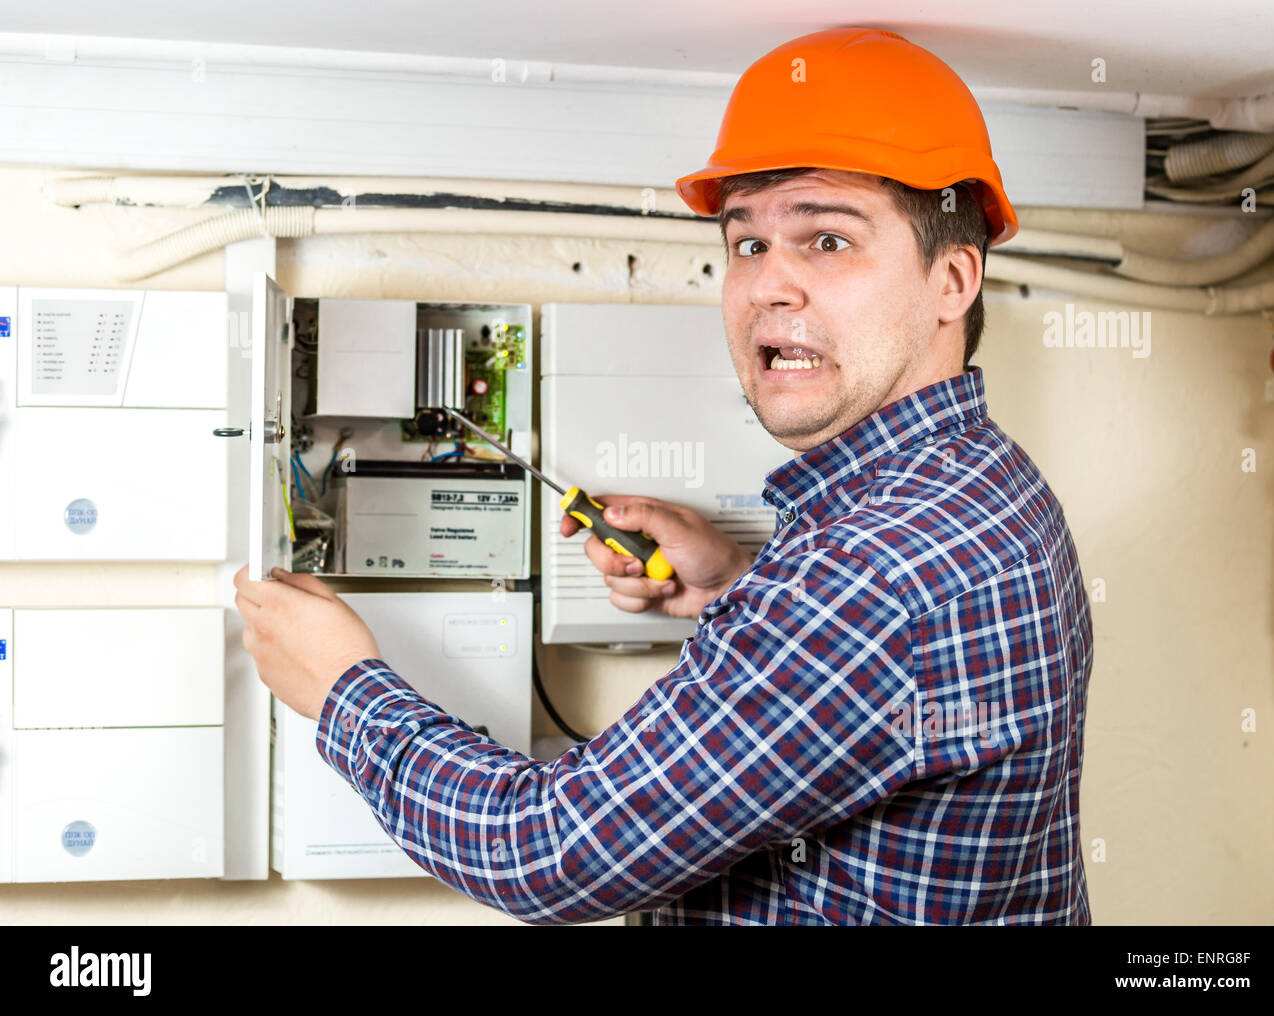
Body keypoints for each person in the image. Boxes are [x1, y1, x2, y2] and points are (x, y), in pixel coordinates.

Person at [234, 26, 1093, 925]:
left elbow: (543, 852)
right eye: (748, 244)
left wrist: (340, 689)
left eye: (828, 241)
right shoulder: (981, 483)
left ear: (952, 279)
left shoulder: (869, 573)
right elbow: (888, 675)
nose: (769, 286)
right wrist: (739, 584)